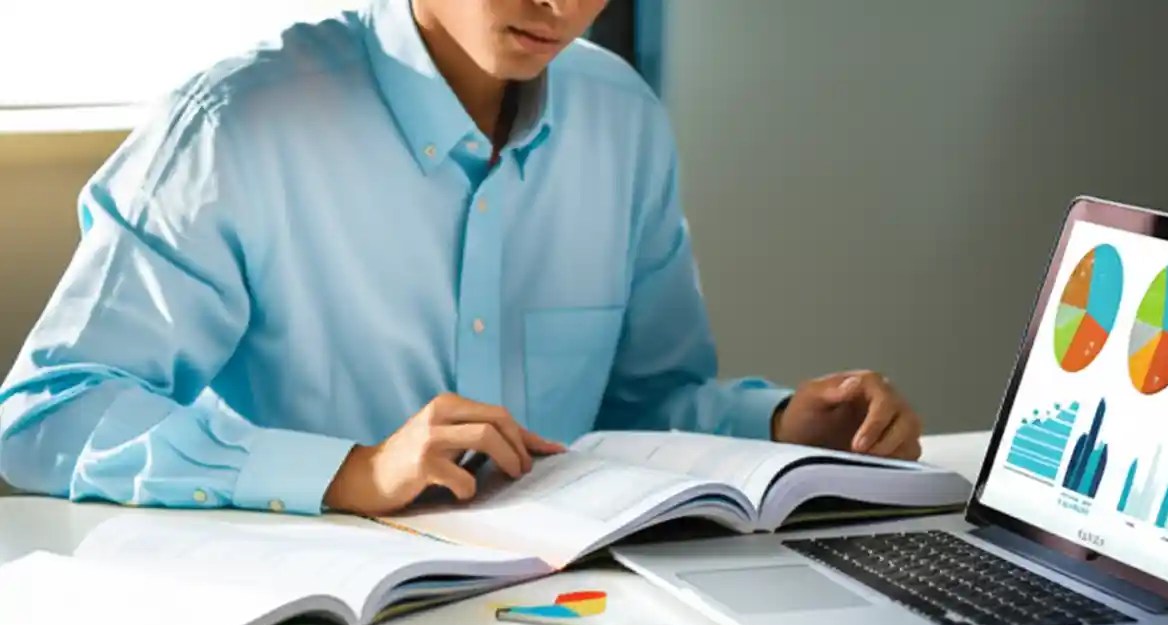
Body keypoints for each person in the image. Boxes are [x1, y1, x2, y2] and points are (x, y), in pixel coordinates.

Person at [0, 0, 922, 518]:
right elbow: (49, 412)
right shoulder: (238, 126)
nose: (560, 5)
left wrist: (779, 426)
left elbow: (641, 410)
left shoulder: (620, 118)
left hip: (567, 624)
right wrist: (350, 472)